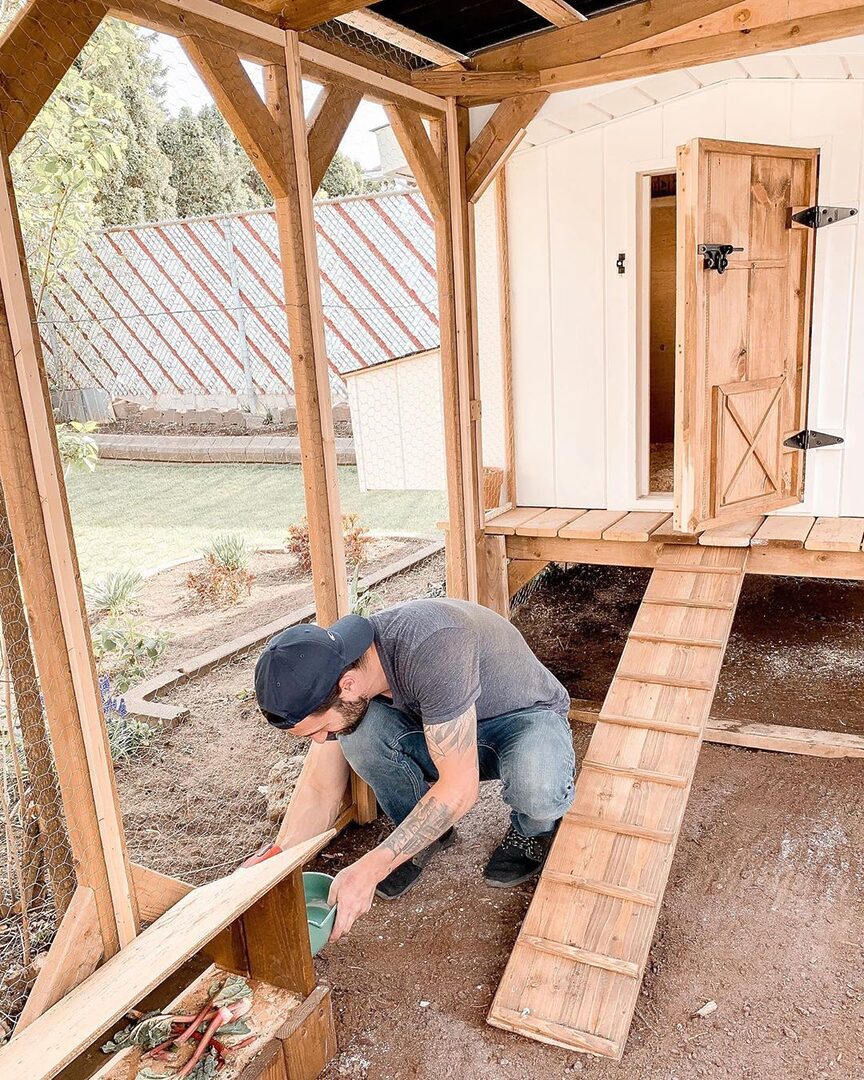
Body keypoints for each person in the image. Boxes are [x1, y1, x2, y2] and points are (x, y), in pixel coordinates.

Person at [248, 597, 576, 942]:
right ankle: (420, 838)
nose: (318, 740)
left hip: (522, 719)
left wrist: (371, 868)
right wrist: (277, 859)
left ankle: (531, 831)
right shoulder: (335, 673)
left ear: (348, 686)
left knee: (539, 785)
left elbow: (460, 789)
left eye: (316, 729)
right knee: (356, 737)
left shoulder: (432, 645)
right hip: (444, 731)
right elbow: (320, 789)